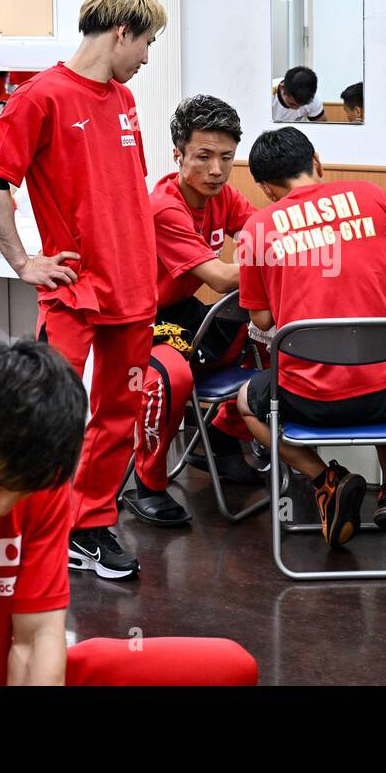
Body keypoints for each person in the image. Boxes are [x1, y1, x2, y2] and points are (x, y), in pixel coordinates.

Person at [0, 0, 165, 581]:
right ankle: (31, 524)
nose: (147, 57)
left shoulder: (126, 102)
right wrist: (23, 261)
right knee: (50, 411)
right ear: (120, 32)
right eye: (147, 43)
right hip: (75, 290)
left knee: (117, 413)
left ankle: (89, 526)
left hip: (133, 287)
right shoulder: (40, 97)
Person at [0, 338, 258, 686]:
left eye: (21, 493)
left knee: (229, 666)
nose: (2, 507)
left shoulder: (41, 484)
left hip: (12, 671)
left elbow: (35, 639)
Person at [233, 127, 386, 546]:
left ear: (267, 188)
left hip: (311, 401)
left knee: (245, 401)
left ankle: (327, 480)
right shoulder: (369, 194)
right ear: (316, 161)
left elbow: (263, 320)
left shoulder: (257, 227)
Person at [122, 95, 264, 526]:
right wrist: (278, 260)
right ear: (178, 155)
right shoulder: (164, 206)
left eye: (226, 157)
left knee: (264, 331)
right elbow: (221, 277)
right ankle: (147, 485)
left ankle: (220, 439)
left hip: (181, 311)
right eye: (203, 157)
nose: (216, 170)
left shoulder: (224, 196)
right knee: (172, 378)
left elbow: (264, 232)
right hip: (140, 319)